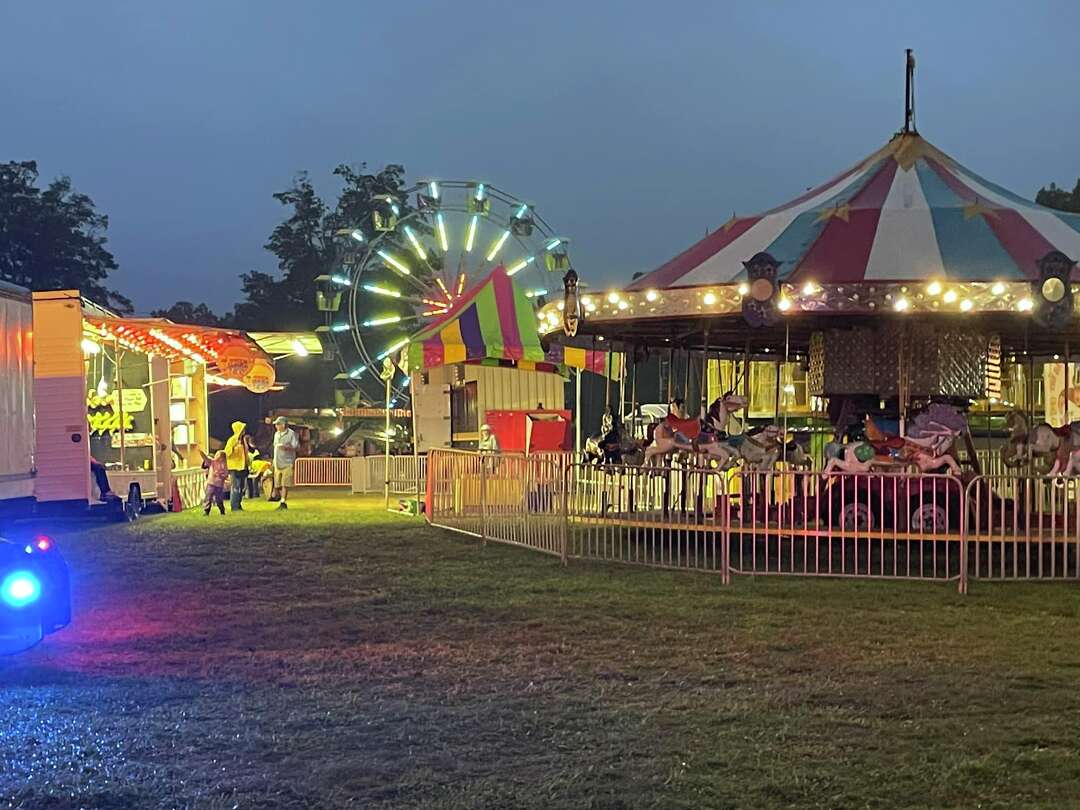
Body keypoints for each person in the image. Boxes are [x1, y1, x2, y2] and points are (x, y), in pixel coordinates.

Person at [271, 416, 299, 511]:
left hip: (287, 462)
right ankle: (280, 498)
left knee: (285, 483)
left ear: (283, 425)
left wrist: (287, 448)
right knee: (277, 484)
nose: (276, 426)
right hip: (277, 462)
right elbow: (275, 447)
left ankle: (283, 502)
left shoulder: (292, 434)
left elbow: (295, 446)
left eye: (278, 424)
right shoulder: (276, 434)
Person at [223, 421, 249, 512]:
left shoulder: (242, 440)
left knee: (241, 487)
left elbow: (245, 454)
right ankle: (234, 506)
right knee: (235, 486)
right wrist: (234, 448)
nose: (244, 430)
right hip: (234, 467)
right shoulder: (232, 440)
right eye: (242, 429)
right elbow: (227, 453)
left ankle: (238, 504)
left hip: (242, 467)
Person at [199, 449, 228, 515]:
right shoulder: (212, 462)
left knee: (219, 499)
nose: (216, 456)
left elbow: (226, 474)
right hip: (211, 483)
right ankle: (206, 510)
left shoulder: (224, 465)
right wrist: (201, 452)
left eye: (218, 455)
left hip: (219, 485)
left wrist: (220, 475)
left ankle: (222, 509)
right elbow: (205, 458)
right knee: (208, 497)